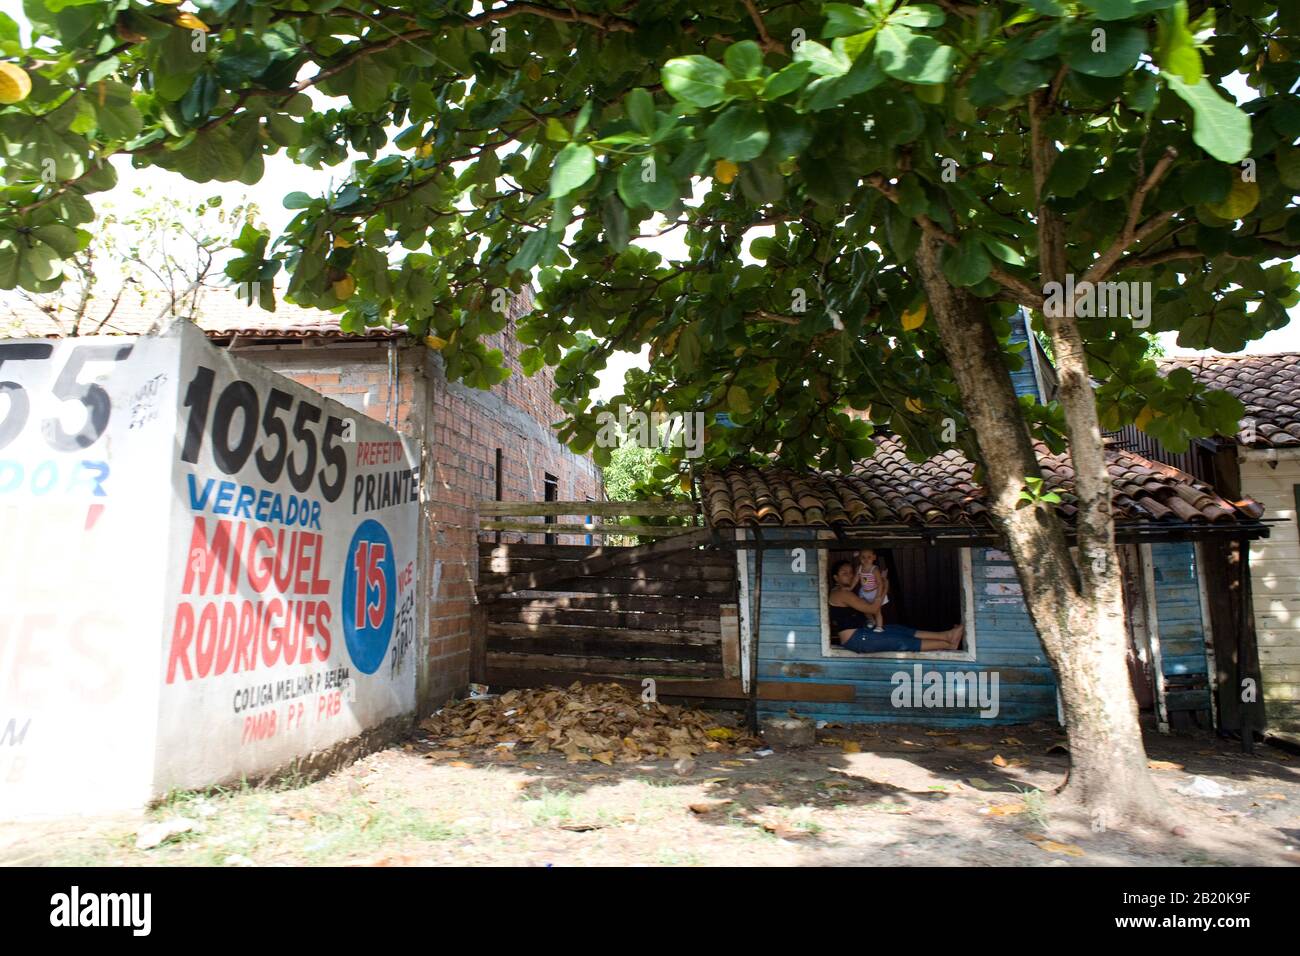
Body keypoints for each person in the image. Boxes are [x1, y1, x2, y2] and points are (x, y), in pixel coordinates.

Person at [827, 558, 963, 653]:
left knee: (899, 630)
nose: (849, 576)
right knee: (900, 641)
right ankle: (948, 643)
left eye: (851, 572)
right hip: (856, 639)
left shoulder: (846, 592)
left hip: (862, 633)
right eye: (844, 573)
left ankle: (946, 636)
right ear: (835, 578)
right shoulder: (841, 593)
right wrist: (884, 587)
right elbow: (873, 609)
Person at [855, 548, 889, 632]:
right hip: (864, 592)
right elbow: (856, 579)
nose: (866, 559)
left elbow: (880, 583)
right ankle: (872, 620)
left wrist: (878, 596)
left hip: (874, 592)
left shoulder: (874, 569)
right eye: (863, 557)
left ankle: (879, 626)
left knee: (877, 610)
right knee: (865, 608)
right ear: (859, 558)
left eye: (869, 557)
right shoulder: (859, 568)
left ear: (874, 557)